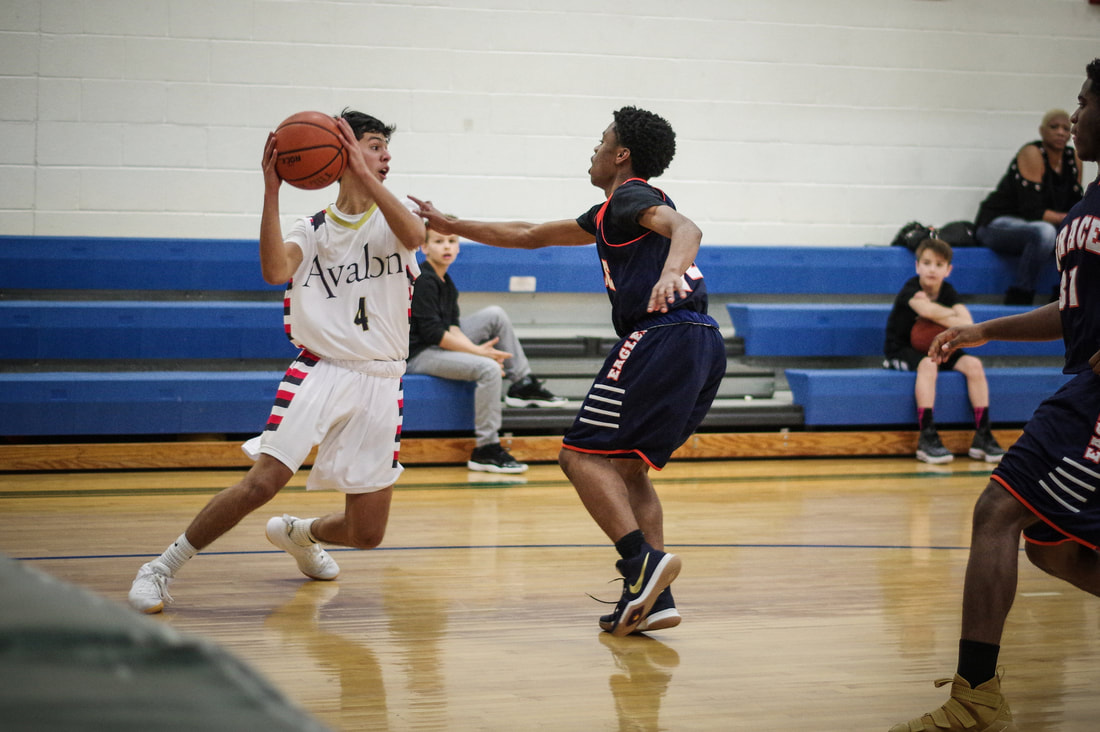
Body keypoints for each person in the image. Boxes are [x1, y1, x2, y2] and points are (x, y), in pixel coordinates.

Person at [410, 106, 727, 637]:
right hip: (700, 342)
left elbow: (686, 228)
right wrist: (449, 224)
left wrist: (670, 272)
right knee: (627, 469)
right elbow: (529, 233)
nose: (594, 150)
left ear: (621, 154)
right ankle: (656, 598)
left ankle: (641, 565)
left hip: (661, 334)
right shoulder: (610, 213)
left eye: (601, 141)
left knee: (579, 456)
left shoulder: (632, 196)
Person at [127, 109, 425, 613]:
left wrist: (362, 166)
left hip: (381, 381)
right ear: (346, 149)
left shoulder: (399, 217)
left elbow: (415, 237)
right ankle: (159, 568)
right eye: (374, 145)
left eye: (384, 147)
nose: (387, 155)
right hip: (321, 370)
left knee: (367, 534)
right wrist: (272, 189)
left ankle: (299, 533)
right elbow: (272, 270)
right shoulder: (311, 229)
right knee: (262, 482)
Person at [890, 59, 1100, 732]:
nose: (1076, 115)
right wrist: (981, 328)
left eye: (1086, 103)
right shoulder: (1087, 208)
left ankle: (976, 694)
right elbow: (1069, 313)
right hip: (1086, 386)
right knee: (1053, 545)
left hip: (1094, 399)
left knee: (998, 509)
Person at [407, 225, 565, 474]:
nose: (447, 246)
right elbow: (434, 335)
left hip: (438, 344)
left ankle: (522, 383)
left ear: (458, 246)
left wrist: (475, 350)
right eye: (438, 242)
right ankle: (486, 449)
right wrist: (480, 353)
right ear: (424, 248)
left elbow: (453, 328)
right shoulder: (424, 279)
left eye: (451, 240)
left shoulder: (445, 281)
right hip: (419, 355)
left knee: (495, 314)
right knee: (489, 369)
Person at [883, 238, 1005, 465]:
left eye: (939, 264)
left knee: (974, 365)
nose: (932, 269)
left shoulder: (948, 291)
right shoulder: (910, 288)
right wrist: (949, 315)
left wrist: (939, 313)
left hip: (938, 348)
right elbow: (925, 309)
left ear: (948, 270)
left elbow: (967, 323)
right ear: (917, 266)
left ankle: (983, 433)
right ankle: (927, 435)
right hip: (902, 349)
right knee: (928, 364)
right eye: (927, 263)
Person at [975, 108, 1084, 305]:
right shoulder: (1032, 153)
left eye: (1066, 128)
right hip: (996, 225)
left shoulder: (1073, 158)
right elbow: (1032, 211)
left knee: (1078, 231)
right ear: (1042, 131)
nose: (1060, 132)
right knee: (1045, 232)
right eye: (1054, 127)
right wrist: (1068, 220)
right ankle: (1021, 293)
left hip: (1039, 227)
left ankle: (1064, 293)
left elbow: (1076, 205)